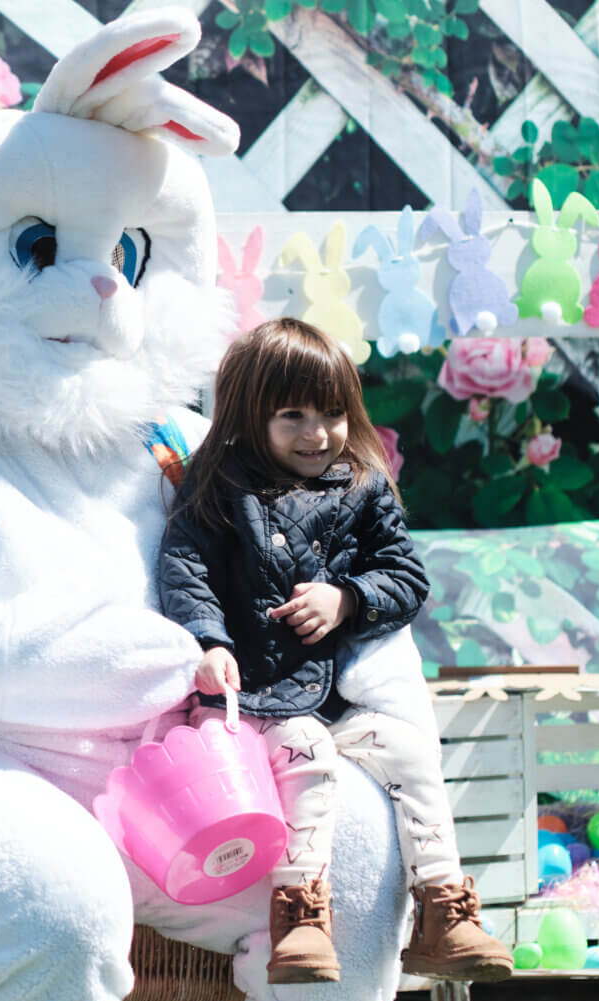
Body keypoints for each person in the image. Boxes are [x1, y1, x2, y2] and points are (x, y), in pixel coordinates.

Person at [157, 317, 513, 985]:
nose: (316, 433)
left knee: (409, 750)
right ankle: (299, 917)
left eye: (331, 414)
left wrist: (347, 599)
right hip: (255, 700)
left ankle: (443, 909)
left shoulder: (361, 487)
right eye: (292, 415)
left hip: (333, 701)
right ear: (250, 415)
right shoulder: (223, 483)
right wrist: (210, 640)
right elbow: (186, 564)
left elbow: (405, 576)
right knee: (308, 756)